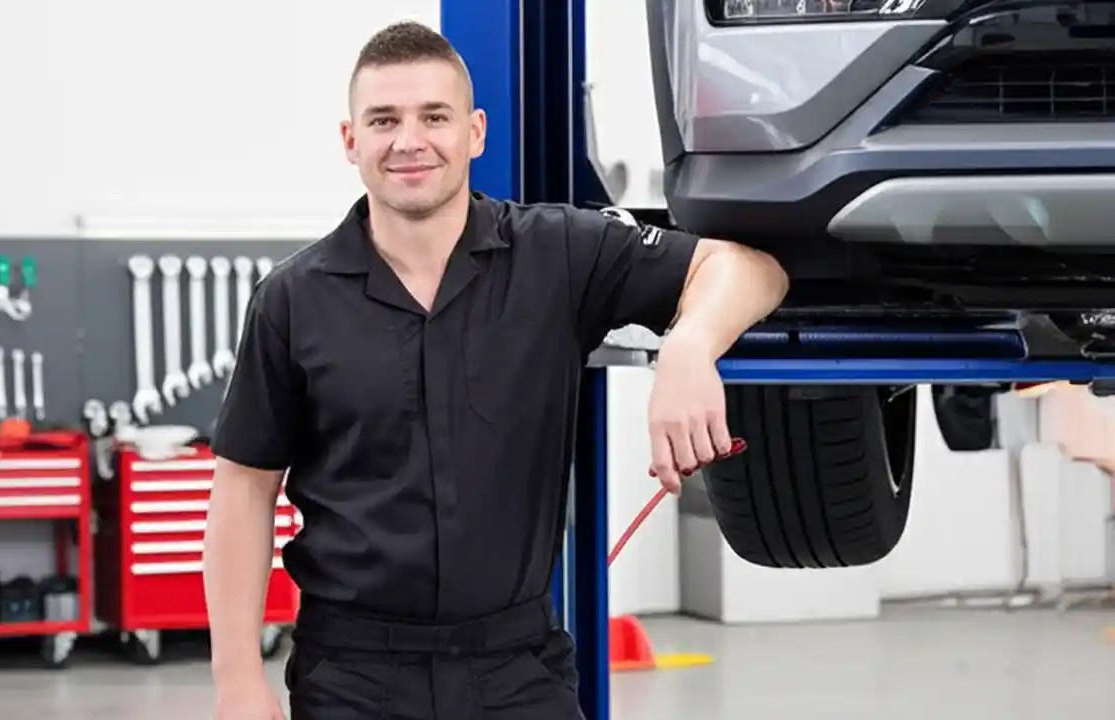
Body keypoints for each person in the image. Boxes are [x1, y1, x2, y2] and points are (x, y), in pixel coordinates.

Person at [203, 20, 788, 720]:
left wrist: (688, 348)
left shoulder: (560, 256)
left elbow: (750, 267)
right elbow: (243, 492)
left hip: (516, 673)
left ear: (474, 132)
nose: (409, 140)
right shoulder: (291, 300)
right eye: (384, 119)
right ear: (351, 141)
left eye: (435, 117)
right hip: (351, 678)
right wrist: (238, 681)